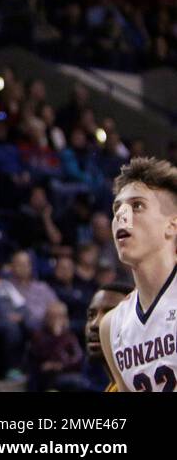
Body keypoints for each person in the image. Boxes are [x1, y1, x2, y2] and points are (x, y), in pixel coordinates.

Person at [99, 157, 177, 392]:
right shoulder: (111, 326)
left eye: (137, 206)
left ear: (172, 226)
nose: (122, 215)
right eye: (117, 208)